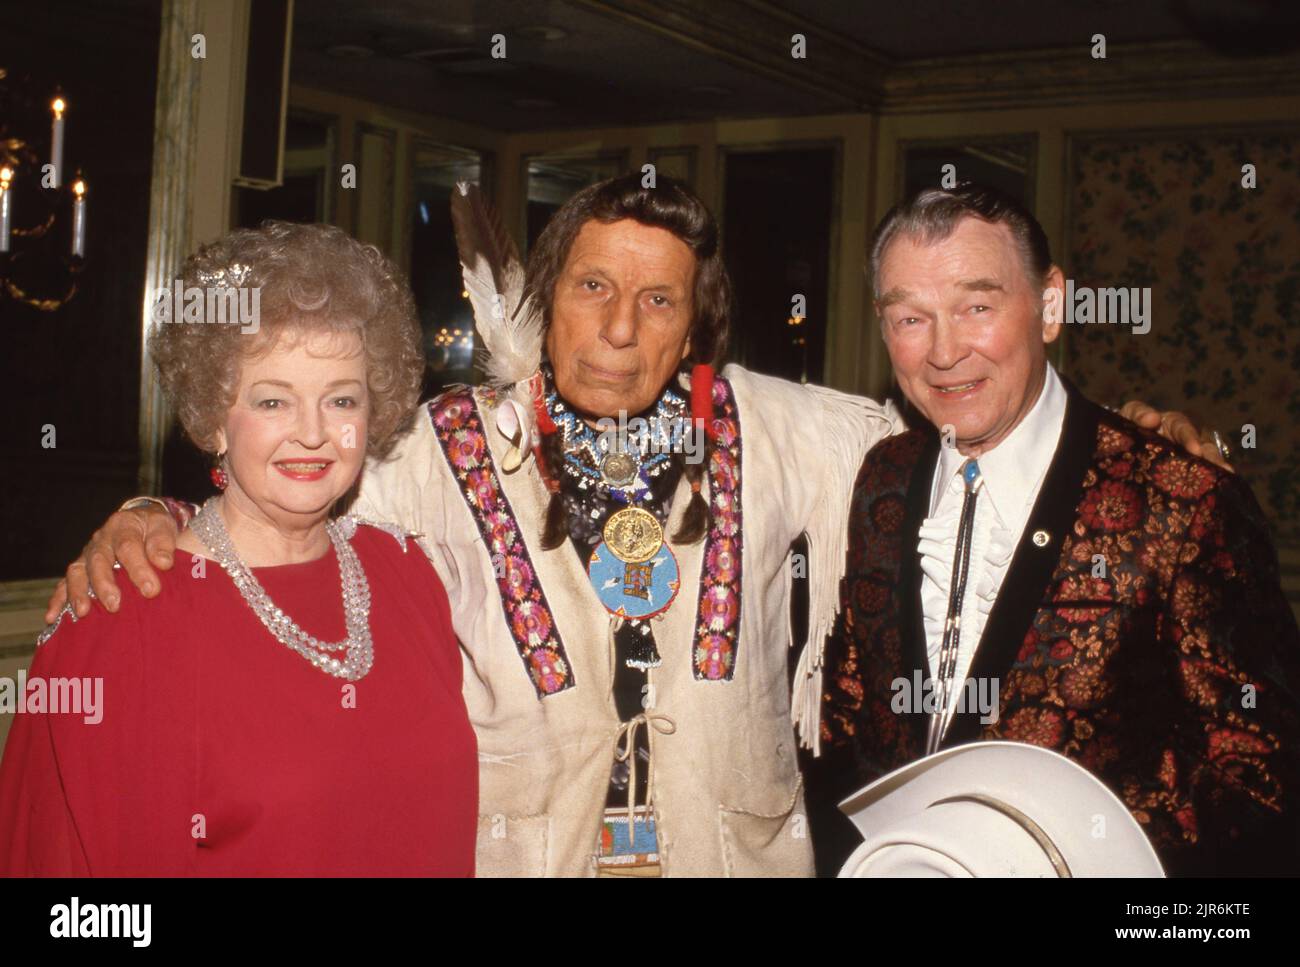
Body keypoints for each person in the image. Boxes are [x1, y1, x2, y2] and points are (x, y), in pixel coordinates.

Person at [43, 176, 1214, 876]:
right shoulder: (433, 447)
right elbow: (290, 476)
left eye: (657, 300)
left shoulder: (793, 428)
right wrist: (152, 512)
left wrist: (1125, 441)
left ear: (693, 324)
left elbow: (970, 439)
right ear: (546, 297)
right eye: (592, 287)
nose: (617, 328)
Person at [813, 184, 1300, 876]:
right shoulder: (882, 477)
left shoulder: (1182, 498)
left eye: (977, 307)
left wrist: (1057, 855)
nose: (944, 352)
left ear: (1049, 306)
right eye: (910, 318)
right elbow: (852, 711)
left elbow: (1258, 772)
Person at [0, 222, 477, 876]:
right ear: (213, 419)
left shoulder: (408, 578)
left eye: (342, 399)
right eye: (273, 400)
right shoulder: (121, 619)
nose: (313, 432)